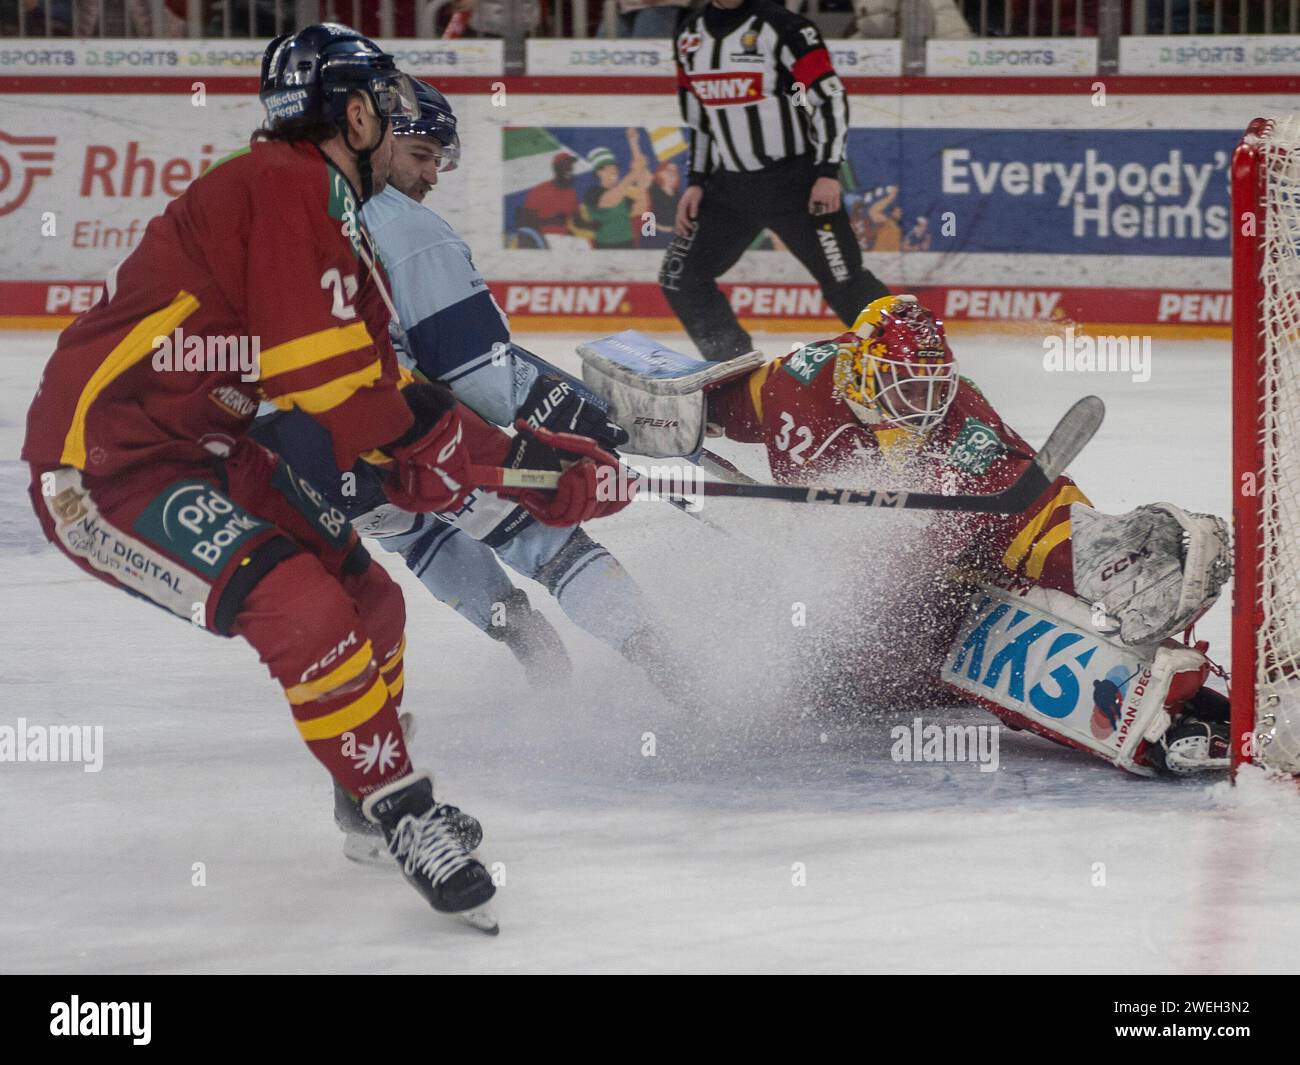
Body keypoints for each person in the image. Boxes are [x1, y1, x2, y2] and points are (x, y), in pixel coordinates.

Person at [20, 25, 628, 933]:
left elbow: (387, 411)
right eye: (386, 112)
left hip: (209, 450)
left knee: (368, 602)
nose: (397, 130)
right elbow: (340, 396)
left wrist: (529, 472)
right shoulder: (288, 189)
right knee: (303, 609)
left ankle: (361, 798)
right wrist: (526, 469)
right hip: (106, 471)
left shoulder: (327, 211)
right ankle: (404, 809)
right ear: (352, 113)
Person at [250, 81, 678, 860]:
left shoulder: (271, 204)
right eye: (419, 154)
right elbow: (479, 373)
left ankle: (532, 657)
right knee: (550, 544)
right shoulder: (406, 228)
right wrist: (581, 417)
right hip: (409, 435)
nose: (431, 175)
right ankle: (675, 673)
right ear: (372, 135)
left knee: (423, 546)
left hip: (306, 457)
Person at [591, 296, 1234, 775]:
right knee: (833, 680)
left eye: (933, 386)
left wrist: (1086, 555)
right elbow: (705, 408)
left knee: (992, 628)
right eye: (905, 387)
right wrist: (612, 418)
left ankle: (1160, 669)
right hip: (849, 624)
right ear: (861, 373)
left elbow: (1025, 498)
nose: (922, 403)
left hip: (954, 578)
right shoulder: (796, 382)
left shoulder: (959, 413)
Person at [660, 0, 890, 361]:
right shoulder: (689, 34)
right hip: (728, 189)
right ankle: (734, 371)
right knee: (681, 278)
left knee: (846, 283)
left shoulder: (784, 27)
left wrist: (828, 172)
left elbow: (830, 99)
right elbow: (700, 118)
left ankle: (915, 368)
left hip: (796, 185)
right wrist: (696, 180)